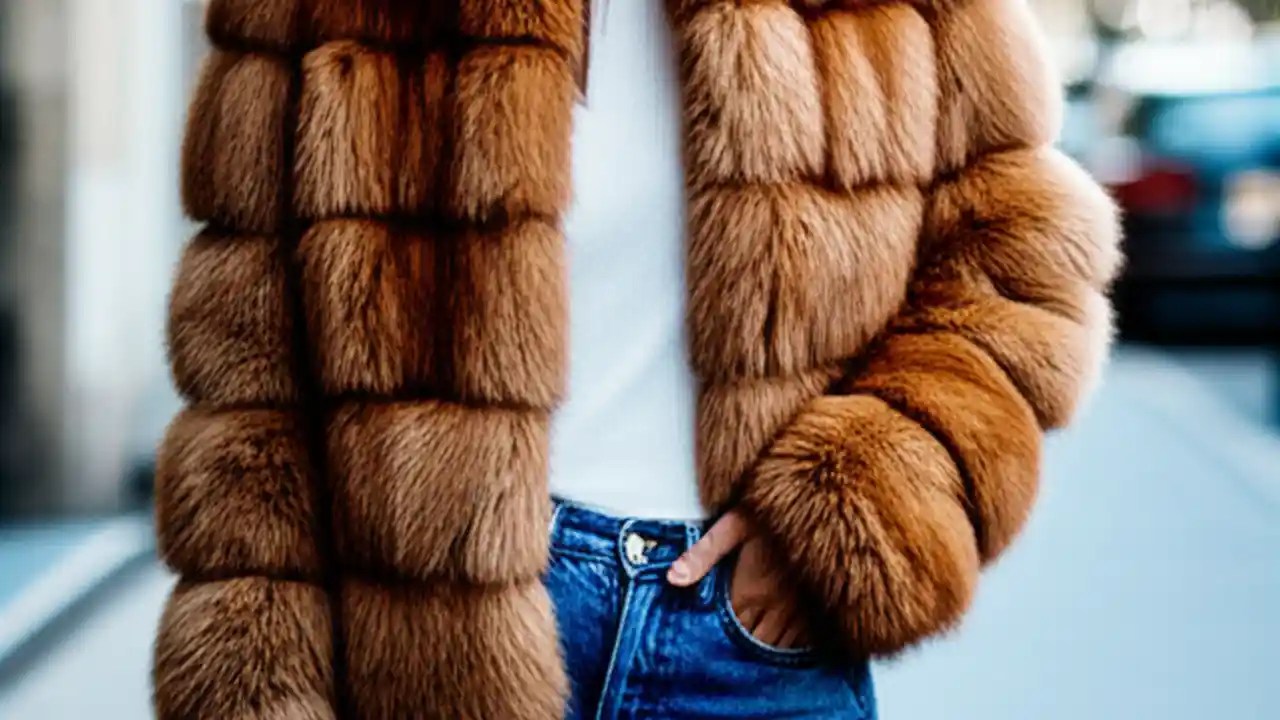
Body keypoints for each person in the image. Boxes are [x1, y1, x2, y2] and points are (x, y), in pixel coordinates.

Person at [152, 0, 1121, 718]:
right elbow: (249, 374)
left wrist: (855, 503)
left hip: (748, 652)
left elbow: (1021, 264)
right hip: (424, 650)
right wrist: (255, 688)